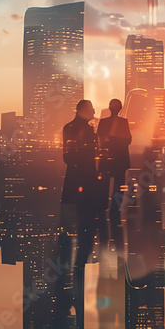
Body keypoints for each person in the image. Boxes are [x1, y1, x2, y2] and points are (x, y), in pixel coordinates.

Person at [62, 100, 99, 268]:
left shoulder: (69, 127)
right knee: (86, 216)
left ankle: (74, 257)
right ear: (83, 110)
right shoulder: (86, 129)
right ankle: (80, 255)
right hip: (85, 176)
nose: (94, 111)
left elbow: (67, 156)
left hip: (76, 175)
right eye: (91, 109)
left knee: (74, 214)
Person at [96, 98, 132, 227]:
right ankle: (114, 208)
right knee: (118, 185)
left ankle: (102, 206)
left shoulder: (103, 122)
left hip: (107, 158)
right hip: (120, 159)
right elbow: (128, 139)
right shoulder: (124, 122)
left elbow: (99, 138)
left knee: (104, 183)